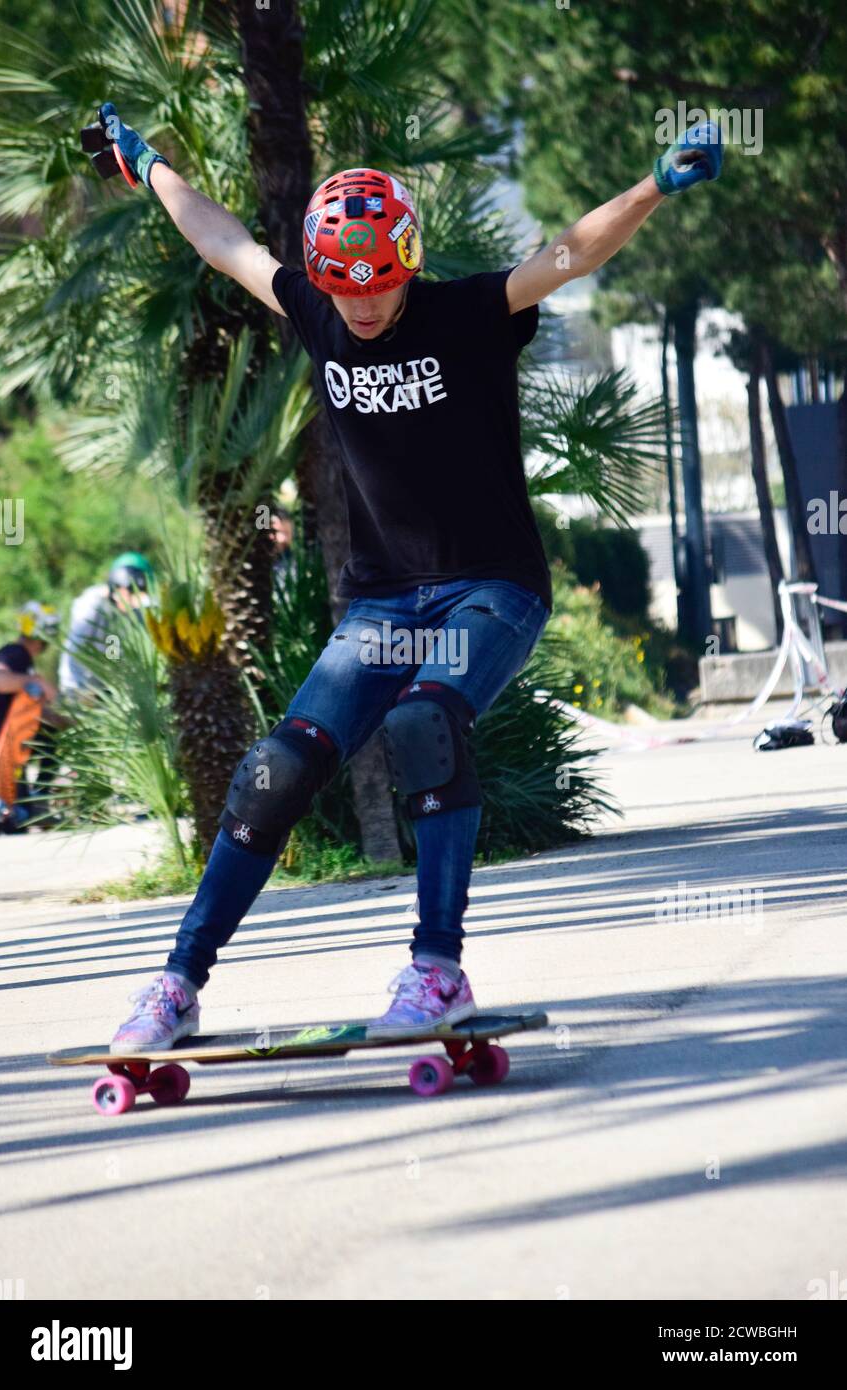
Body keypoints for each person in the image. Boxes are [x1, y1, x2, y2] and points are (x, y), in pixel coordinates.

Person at [83, 103, 723, 1051]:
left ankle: (437, 971)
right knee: (277, 769)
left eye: (380, 287)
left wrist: (654, 187)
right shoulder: (316, 306)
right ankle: (176, 985)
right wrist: (152, 168)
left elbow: (570, 254)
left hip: (491, 588)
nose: (365, 308)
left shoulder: (467, 311)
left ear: (407, 262)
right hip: (384, 601)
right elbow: (225, 243)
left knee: (426, 722)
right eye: (345, 292)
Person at [0, 602, 61, 829]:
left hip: (13, 741)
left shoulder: (23, 659)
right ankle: (27, 806)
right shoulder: (14, 653)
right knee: (15, 821)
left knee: (50, 738)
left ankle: (37, 802)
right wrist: (35, 681)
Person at [59, 552, 154, 698]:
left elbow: (113, 652)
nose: (138, 603)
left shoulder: (123, 612)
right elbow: (74, 650)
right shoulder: (91, 604)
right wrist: (77, 692)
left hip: (106, 690)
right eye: (137, 595)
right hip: (79, 688)